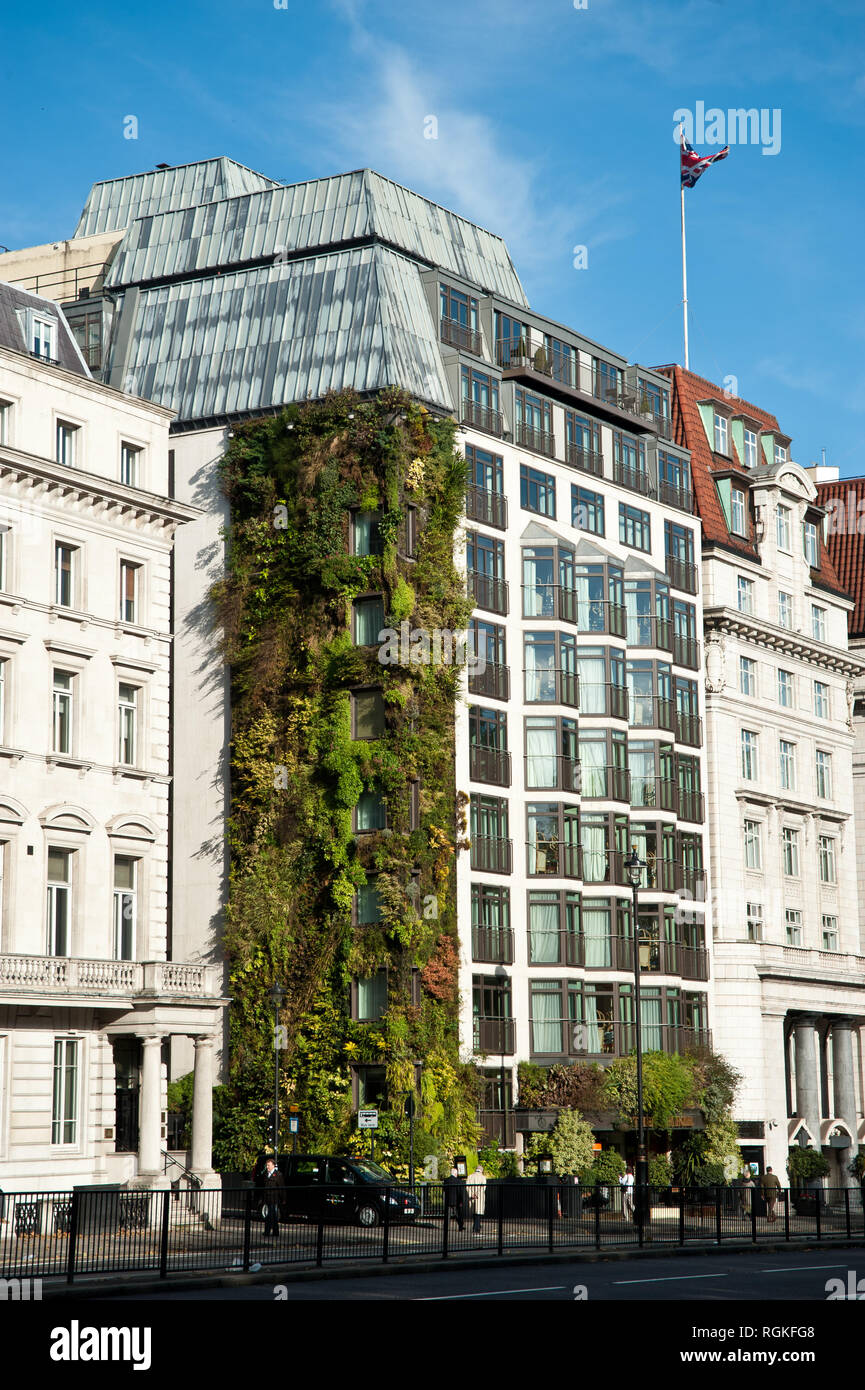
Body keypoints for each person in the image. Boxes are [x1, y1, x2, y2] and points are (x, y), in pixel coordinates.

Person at [262, 1156, 284, 1238]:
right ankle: (275, 1231)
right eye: (267, 1165)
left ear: (273, 1166)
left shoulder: (278, 1175)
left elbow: (281, 1187)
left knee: (270, 1215)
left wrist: (283, 1198)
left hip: (274, 1198)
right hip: (268, 1198)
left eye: (269, 1165)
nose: (267, 1167)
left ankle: (267, 1231)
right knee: (273, 1215)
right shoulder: (266, 1175)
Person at [443, 1165, 466, 1232]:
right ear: (456, 1174)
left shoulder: (446, 1180)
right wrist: (461, 1201)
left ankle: (446, 1227)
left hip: (448, 1200)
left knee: (447, 1215)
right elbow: (460, 1192)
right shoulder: (458, 1181)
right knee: (458, 1215)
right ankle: (460, 1226)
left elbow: (444, 1190)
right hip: (456, 1200)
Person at [470, 1163, 487, 1235]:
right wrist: (477, 1194)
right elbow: (483, 1188)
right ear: (481, 1170)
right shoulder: (483, 1177)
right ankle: (477, 1227)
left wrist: (472, 1194)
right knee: (478, 1213)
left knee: (474, 1212)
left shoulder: (470, 1176)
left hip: (472, 1197)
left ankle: (476, 1226)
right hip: (479, 1197)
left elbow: (467, 1187)